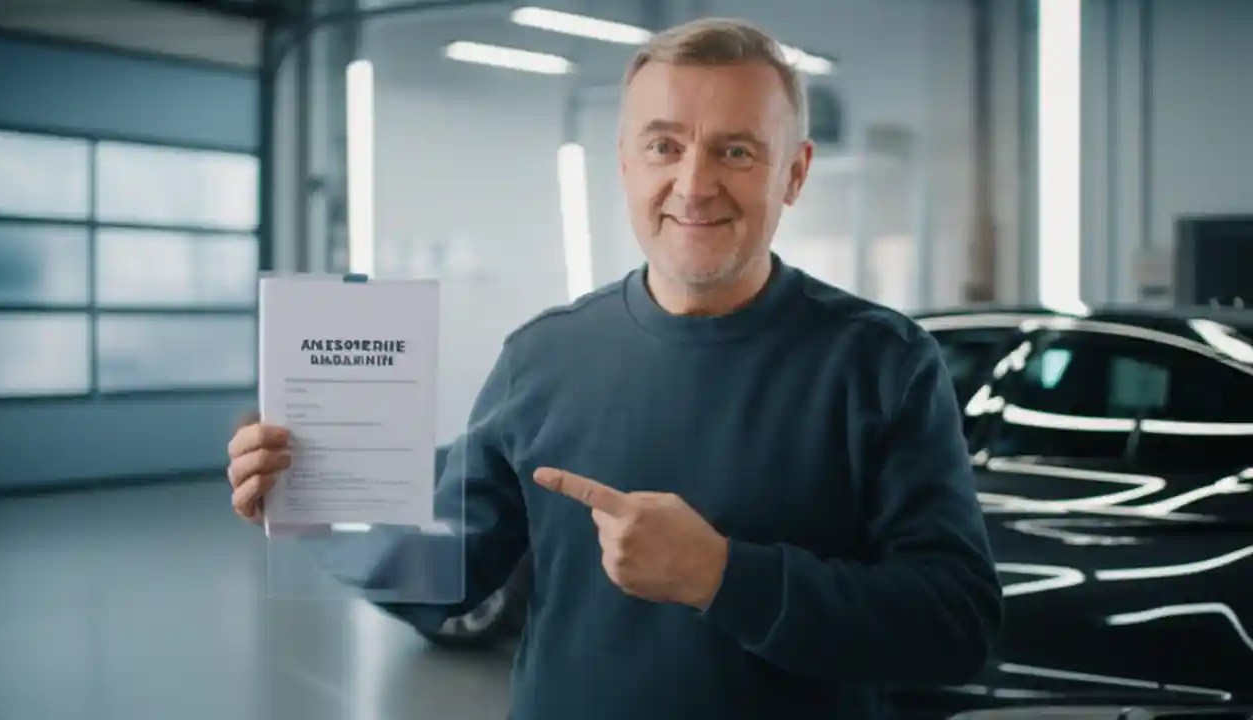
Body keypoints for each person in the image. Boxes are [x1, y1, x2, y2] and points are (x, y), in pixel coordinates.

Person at [227, 17, 1002, 719]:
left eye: (735, 150)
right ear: (626, 164)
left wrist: (724, 576)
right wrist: (318, 505)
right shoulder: (540, 357)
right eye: (664, 146)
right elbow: (451, 575)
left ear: (794, 173)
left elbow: (956, 627)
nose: (694, 184)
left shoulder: (884, 363)